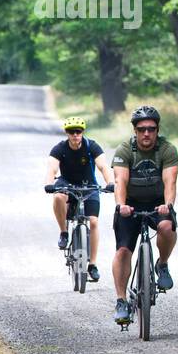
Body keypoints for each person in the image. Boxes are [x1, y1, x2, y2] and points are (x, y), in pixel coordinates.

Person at [110, 105, 178, 326]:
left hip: (158, 203)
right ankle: (121, 301)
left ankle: (162, 264)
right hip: (129, 205)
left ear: (158, 130)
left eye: (151, 129)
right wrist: (121, 205)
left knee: (167, 227)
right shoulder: (124, 150)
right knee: (123, 250)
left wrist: (167, 205)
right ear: (135, 130)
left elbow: (170, 182)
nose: (146, 133)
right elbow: (120, 181)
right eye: (141, 129)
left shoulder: (167, 149)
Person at [46, 116, 113, 283]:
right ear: (67, 133)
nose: (75, 135)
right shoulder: (59, 148)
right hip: (67, 183)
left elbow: (103, 166)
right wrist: (48, 183)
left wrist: (110, 182)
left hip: (89, 185)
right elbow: (52, 168)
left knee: (94, 222)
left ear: (83, 132)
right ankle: (64, 232)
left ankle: (93, 264)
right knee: (59, 196)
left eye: (78, 131)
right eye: (71, 132)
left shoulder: (92, 146)